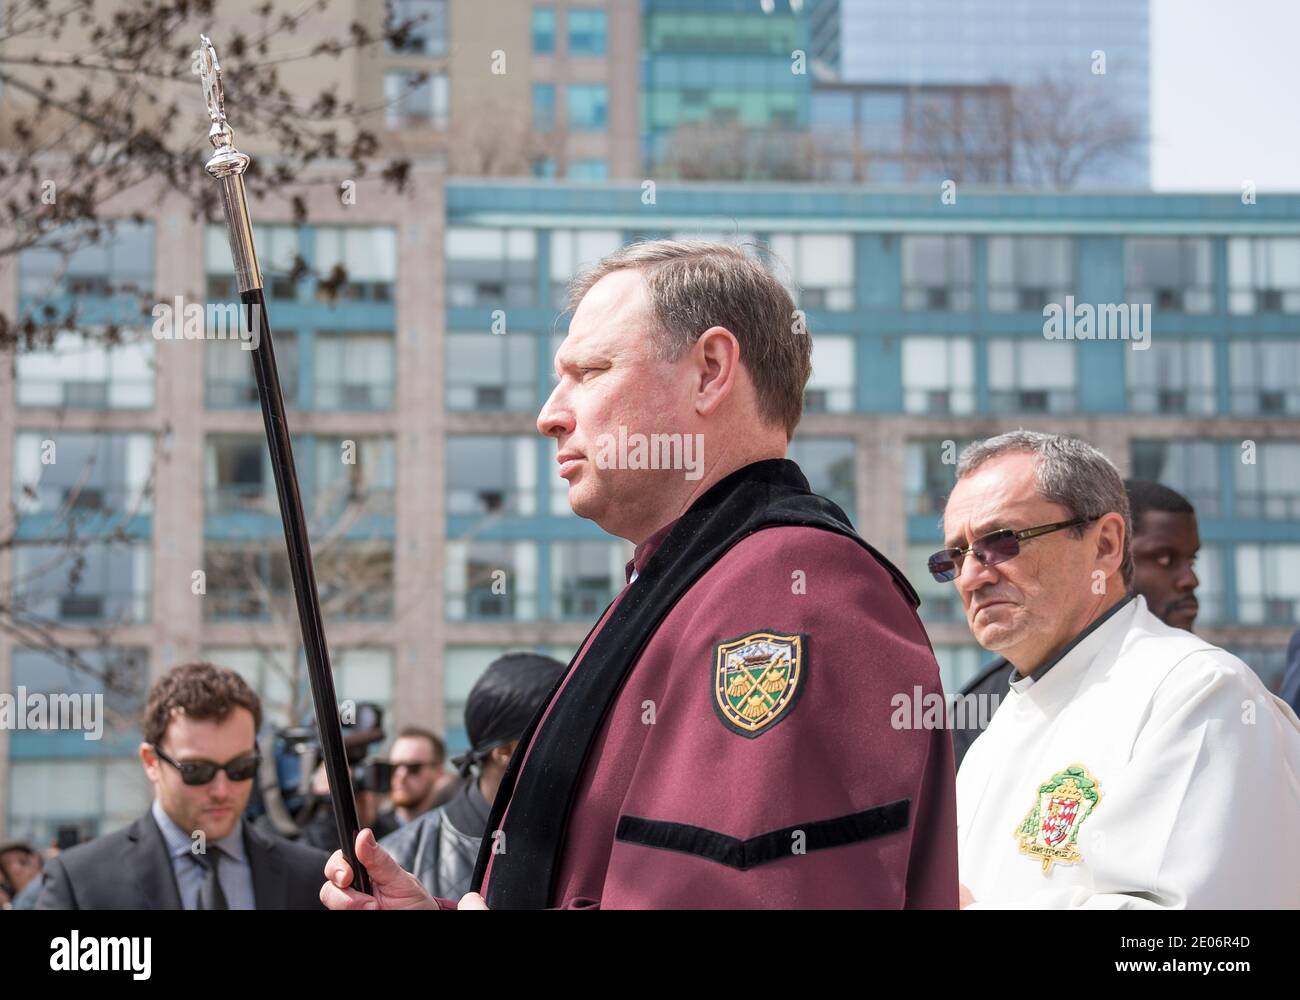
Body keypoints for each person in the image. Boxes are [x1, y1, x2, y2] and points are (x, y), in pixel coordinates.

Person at [322, 239, 958, 910]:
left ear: (710, 370)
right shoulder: (700, 581)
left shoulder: (794, 591)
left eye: (589, 370)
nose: (549, 415)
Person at [935, 430, 1300, 908]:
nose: (971, 576)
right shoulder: (992, 733)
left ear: (1105, 545)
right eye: (954, 557)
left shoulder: (1199, 693)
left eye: (1001, 542)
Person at [951, 477, 1203, 769]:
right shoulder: (986, 704)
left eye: (1191, 561)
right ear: (1107, 548)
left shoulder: (1205, 680)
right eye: (1163, 559)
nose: (1190, 580)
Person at [37, 662, 329, 910]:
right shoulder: (80, 882)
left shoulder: (314, 879)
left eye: (241, 768)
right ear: (151, 762)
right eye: (196, 771)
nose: (221, 790)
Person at [380, 653, 567, 898]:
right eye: (560, 731)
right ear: (505, 751)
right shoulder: (396, 861)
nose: (575, 745)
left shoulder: (590, 840)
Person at [373, 727, 462, 840]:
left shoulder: (455, 832)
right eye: (394, 767)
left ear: (439, 773)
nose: (401, 775)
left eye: (413, 768)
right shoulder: (370, 833)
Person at [0, 840, 43, 909]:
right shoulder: (15, 897)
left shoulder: (39, 886)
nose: (15, 868)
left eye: (22, 861)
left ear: (36, 862)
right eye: (7, 864)